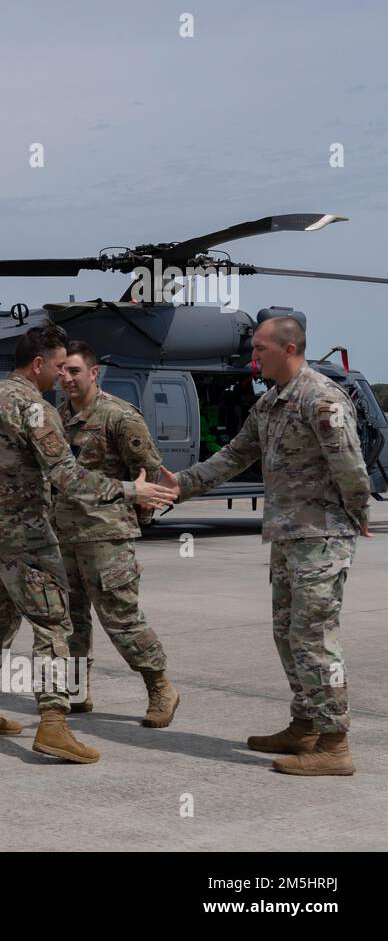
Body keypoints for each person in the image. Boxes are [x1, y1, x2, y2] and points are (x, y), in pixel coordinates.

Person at [0, 324, 175, 764]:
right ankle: (53, 723)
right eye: (56, 366)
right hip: (28, 537)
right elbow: (67, 478)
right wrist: (133, 492)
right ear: (38, 365)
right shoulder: (36, 410)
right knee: (53, 626)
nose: (60, 376)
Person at [161, 317, 371, 776]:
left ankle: (335, 745)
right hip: (287, 535)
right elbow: (236, 455)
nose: (254, 357)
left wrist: (358, 513)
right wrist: (182, 484)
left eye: (261, 348)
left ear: (289, 347)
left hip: (321, 537)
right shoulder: (271, 404)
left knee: (314, 638)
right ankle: (305, 726)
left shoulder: (321, 398)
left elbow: (351, 465)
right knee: (287, 634)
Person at [54, 340, 177, 726]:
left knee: (121, 619)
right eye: (61, 371)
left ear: (93, 373)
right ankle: (75, 691)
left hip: (106, 537)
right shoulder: (56, 418)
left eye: (74, 371)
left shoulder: (119, 417)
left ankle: (160, 688)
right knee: (69, 620)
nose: (66, 378)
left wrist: (136, 515)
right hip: (63, 536)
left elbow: (150, 473)